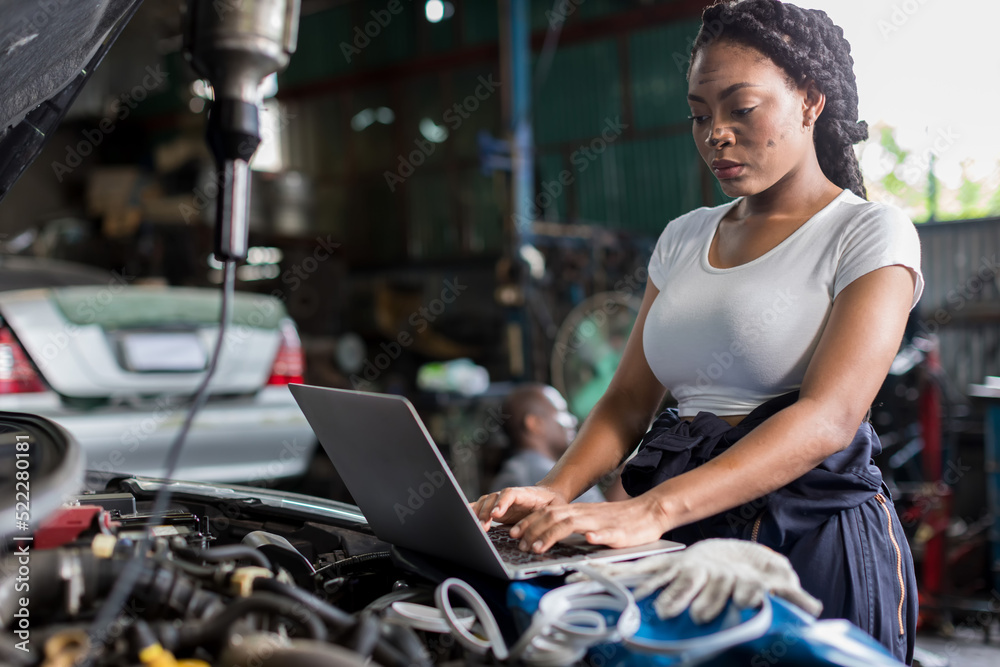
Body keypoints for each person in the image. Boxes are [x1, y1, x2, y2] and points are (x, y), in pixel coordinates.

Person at [472, 1, 922, 663]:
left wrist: (646, 510)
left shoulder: (868, 233)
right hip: (684, 535)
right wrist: (555, 487)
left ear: (810, 101)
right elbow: (628, 403)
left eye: (741, 108)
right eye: (700, 113)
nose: (716, 133)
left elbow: (828, 416)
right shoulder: (684, 237)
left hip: (809, 542)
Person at [489, 384, 605, 503]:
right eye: (562, 411)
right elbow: (605, 517)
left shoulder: (522, 470)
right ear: (535, 424)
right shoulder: (543, 473)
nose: (573, 420)